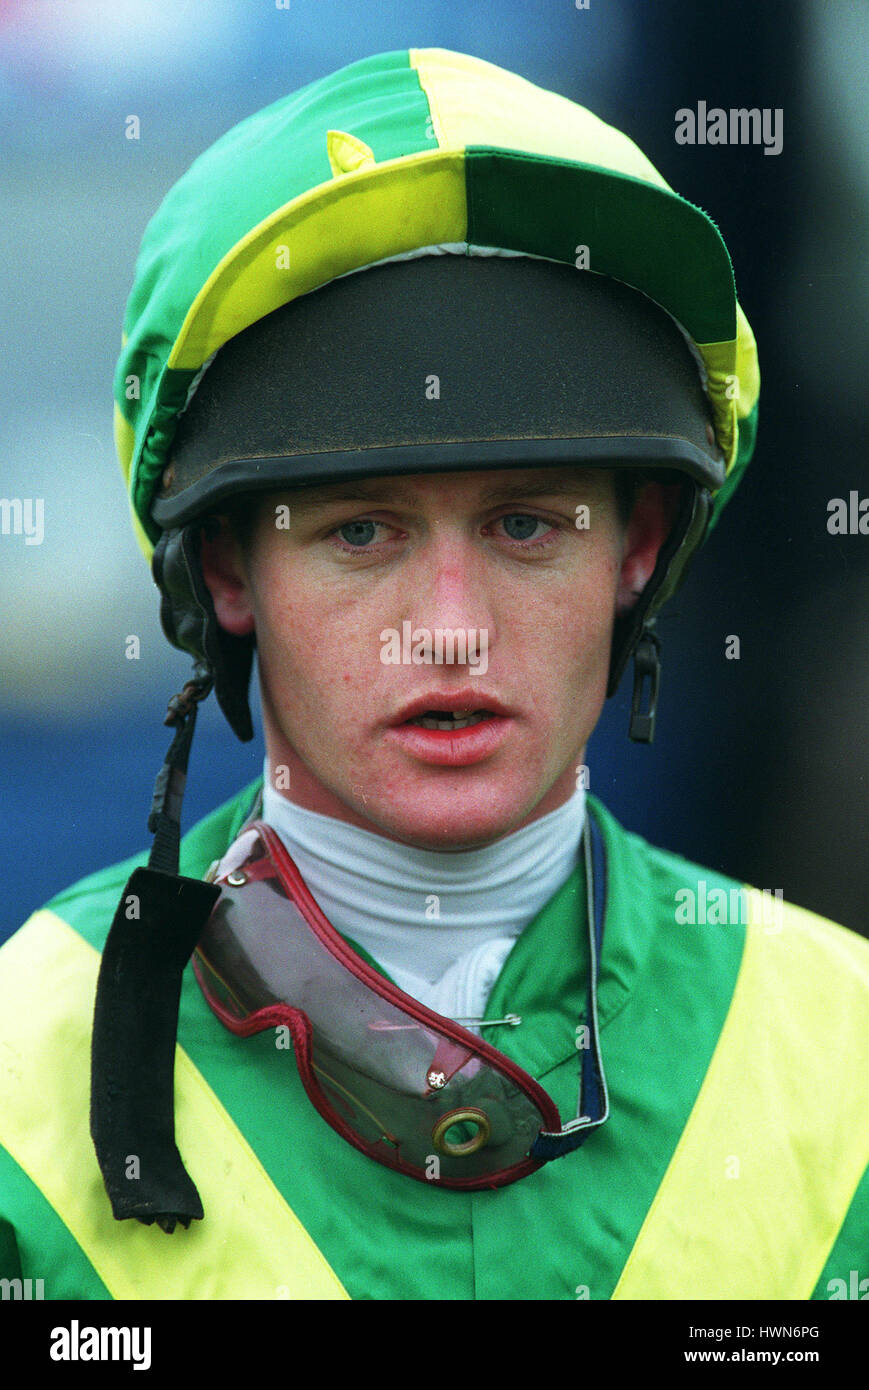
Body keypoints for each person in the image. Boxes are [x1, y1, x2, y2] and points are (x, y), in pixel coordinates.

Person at [1, 47, 866, 1303]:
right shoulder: (20, 1083)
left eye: (526, 525)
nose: (448, 632)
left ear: (636, 548)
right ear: (228, 574)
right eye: (360, 532)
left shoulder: (843, 1056)